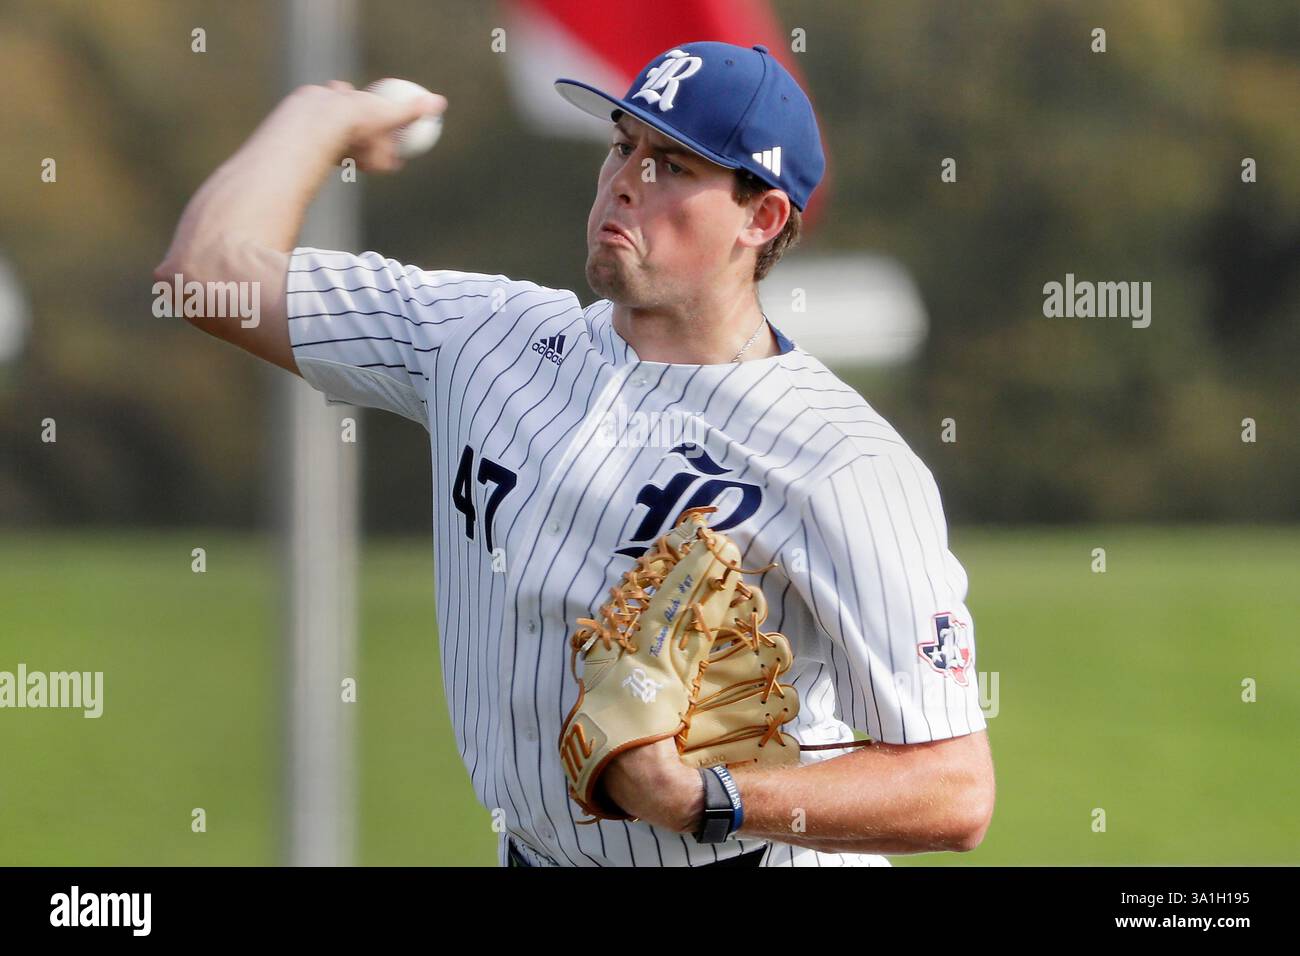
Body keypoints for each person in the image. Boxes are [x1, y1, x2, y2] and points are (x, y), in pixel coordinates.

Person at [155, 40, 994, 867]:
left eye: (674, 165)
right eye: (623, 146)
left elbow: (954, 791)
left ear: (762, 216)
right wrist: (317, 119)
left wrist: (710, 800)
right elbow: (205, 276)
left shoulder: (842, 462)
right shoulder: (481, 337)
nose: (627, 180)